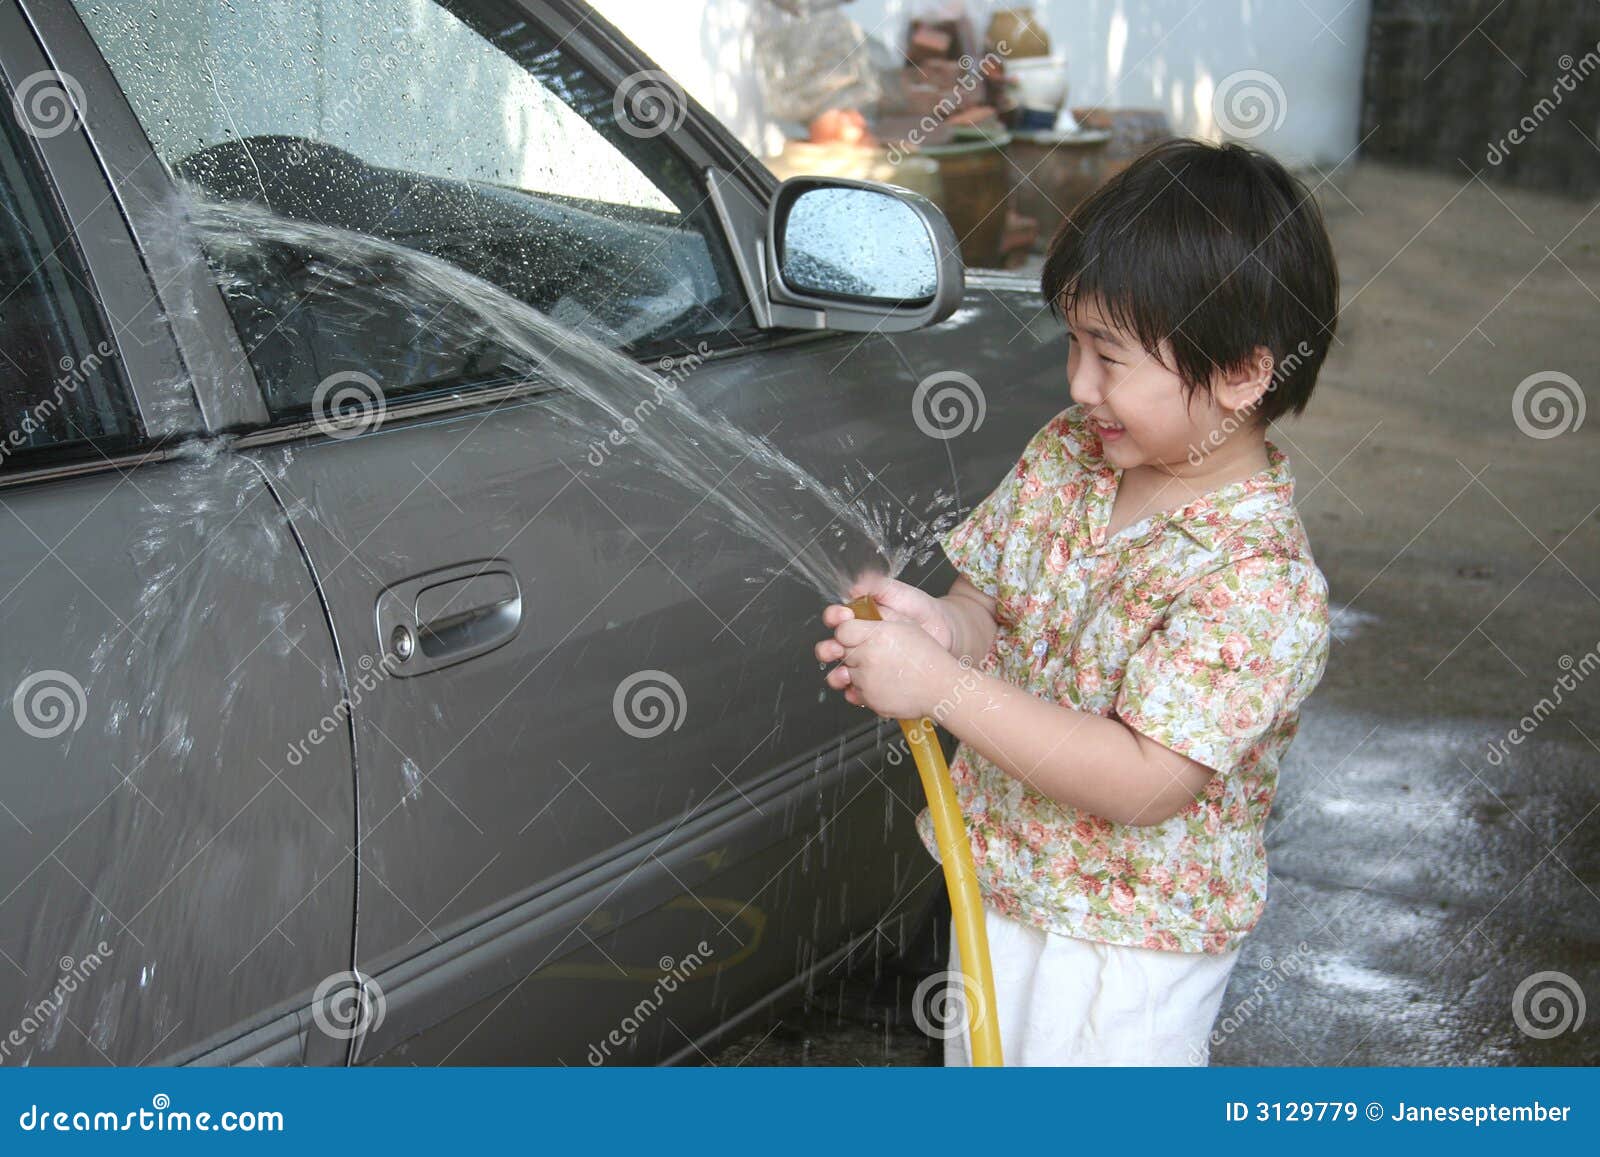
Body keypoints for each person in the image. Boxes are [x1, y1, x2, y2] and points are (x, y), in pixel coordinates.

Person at [813, 137, 1339, 1066]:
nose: (1078, 383)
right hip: (1000, 888)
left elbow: (1145, 780)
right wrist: (941, 630)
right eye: (1074, 343)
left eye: (1110, 355)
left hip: (1130, 953)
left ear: (1243, 373)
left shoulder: (1259, 580)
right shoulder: (1069, 454)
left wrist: (939, 687)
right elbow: (988, 600)